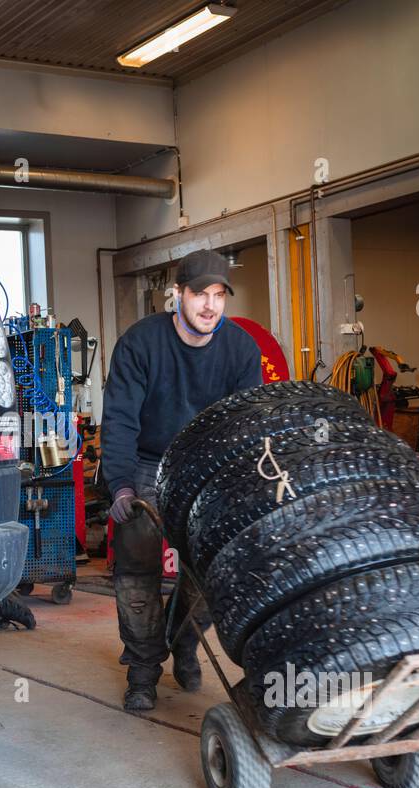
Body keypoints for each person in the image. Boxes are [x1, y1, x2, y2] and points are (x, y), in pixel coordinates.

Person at [101, 249, 263, 711]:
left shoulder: (240, 349)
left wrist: (242, 489)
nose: (210, 306)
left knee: (216, 572)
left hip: (207, 468)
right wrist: (121, 485)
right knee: (136, 570)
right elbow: (119, 421)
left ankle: (184, 642)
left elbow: (245, 428)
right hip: (147, 462)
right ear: (177, 295)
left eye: (218, 296)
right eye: (199, 294)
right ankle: (143, 670)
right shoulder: (140, 343)